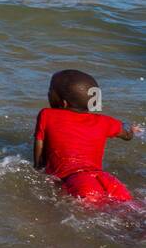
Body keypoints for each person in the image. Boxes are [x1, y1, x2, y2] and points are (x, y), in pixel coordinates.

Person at [33, 70, 137, 205]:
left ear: (64, 103)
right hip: (108, 180)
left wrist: (38, 170)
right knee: (131, 213)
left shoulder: (47, 115)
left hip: (76, 182)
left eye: (51, 90)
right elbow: (127, 136)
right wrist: (133, 131)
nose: (48, 93)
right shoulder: (105, 121)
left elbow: (39, 148)